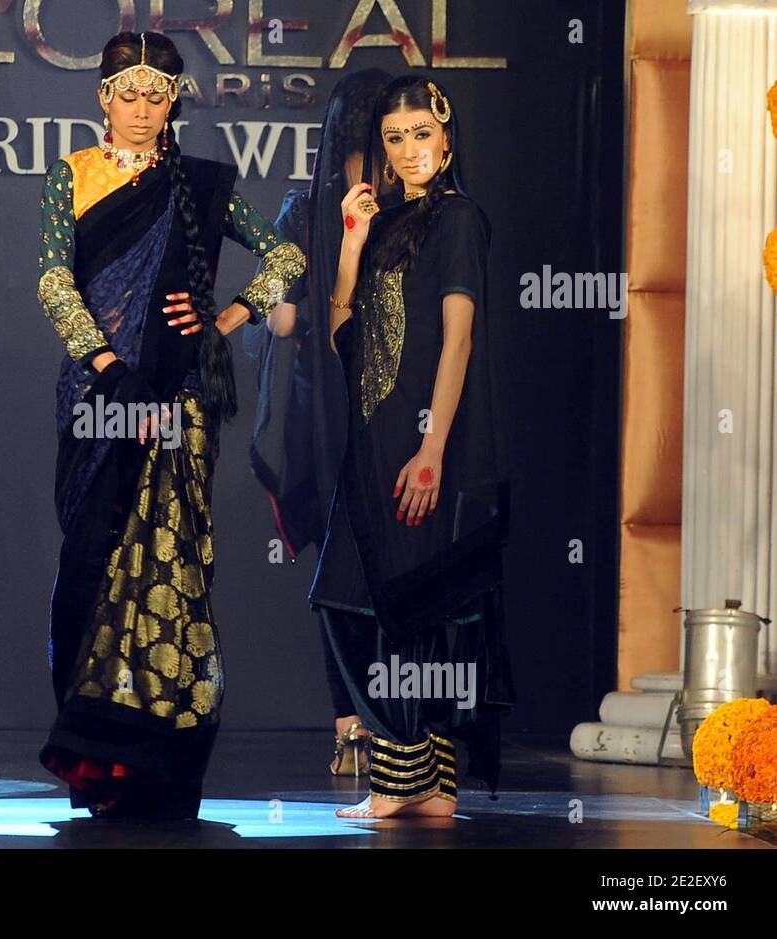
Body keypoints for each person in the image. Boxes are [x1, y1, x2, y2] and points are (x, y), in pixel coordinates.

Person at [36, 31, 306, 820]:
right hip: (96, 397)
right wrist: (102, 361)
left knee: (170, 572)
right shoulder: (73, 176)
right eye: (130, 92)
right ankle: (96, 758)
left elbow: (283, 258)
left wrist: (224, 319)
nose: (143, 108)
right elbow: (54, 276)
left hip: (177, 404)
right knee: (91, 563)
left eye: (158, 94)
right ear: (102, 98)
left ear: (174, 101)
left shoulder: (202, 182)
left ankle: (159, 762)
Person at [315, 76, 514, 818]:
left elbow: (459, 339)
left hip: (420, 445)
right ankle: (432, 784)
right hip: (376, 442)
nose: (407, 151)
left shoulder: (457, 220)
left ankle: (399, 779)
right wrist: (352, 243)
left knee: (386, 605)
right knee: (389, 603)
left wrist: (431, 446)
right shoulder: (390, 221)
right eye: (393, 139)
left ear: (448, 138)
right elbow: (340, 335)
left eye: (420, 135)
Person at [244, 68, 392, 777]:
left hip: (396, 404)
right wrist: (284, 309)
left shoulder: (417, 209)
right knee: (340, 567)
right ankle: (348, 721)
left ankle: (403, 724)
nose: (377, 154)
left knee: (397, 565)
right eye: (367, 138)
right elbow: (272, 318)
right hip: (322, 410)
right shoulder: (302, 213)